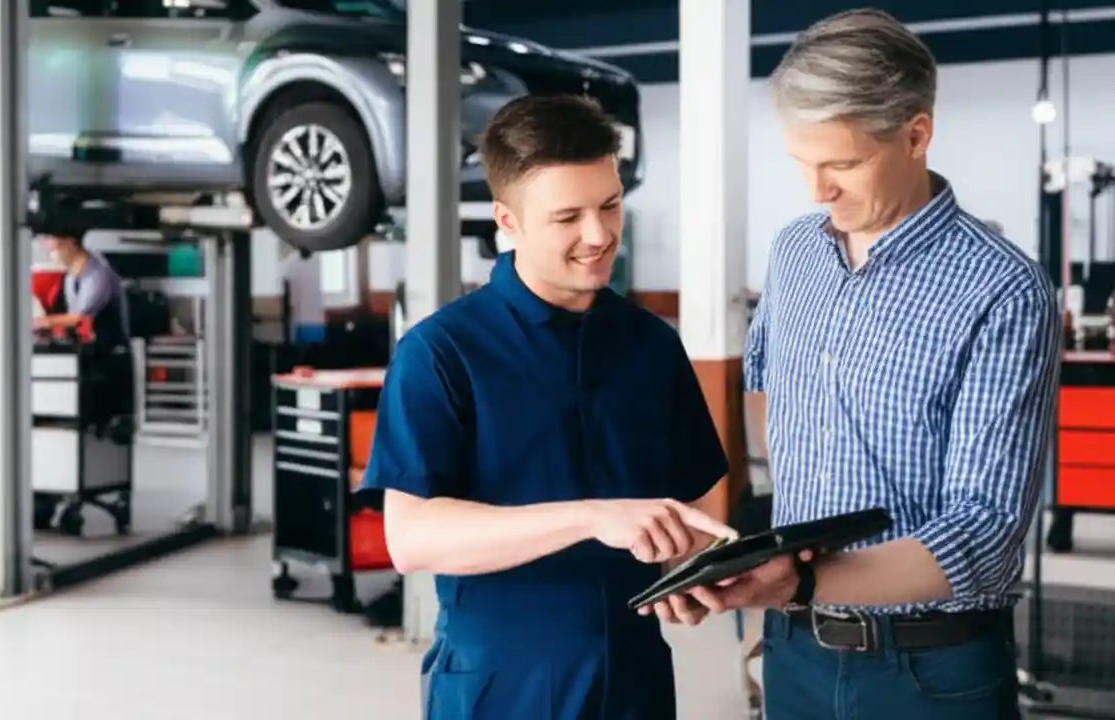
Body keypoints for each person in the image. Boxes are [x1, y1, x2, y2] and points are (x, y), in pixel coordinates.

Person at [687, 10, 1062, 720]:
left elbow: (984, 532)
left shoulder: (1003, 290)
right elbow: (765, 387)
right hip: (795, 649)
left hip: (931, 670)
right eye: (802, 162)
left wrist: (802, 581)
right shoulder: (796, 252)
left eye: (843, 164)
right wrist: (777, 561)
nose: (817, 191)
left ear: (916, 135)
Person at [359, 94, 737, 719]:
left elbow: (688, 515)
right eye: (568, 217)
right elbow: (412, 538)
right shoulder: (442, 353)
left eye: (610, 205)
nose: (599, 235)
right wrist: (589, 518)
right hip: (502, 686)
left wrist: (694, 569)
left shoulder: (652, 346)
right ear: (507, 221)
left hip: (635, 681)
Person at [34, 233, 130, 351]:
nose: (46, 247)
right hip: (91, 344)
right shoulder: (72, 272)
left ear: (70, 242)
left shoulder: (96, 273)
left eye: (51, 242)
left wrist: (41, 322)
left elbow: (78, 317)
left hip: (110, 348)